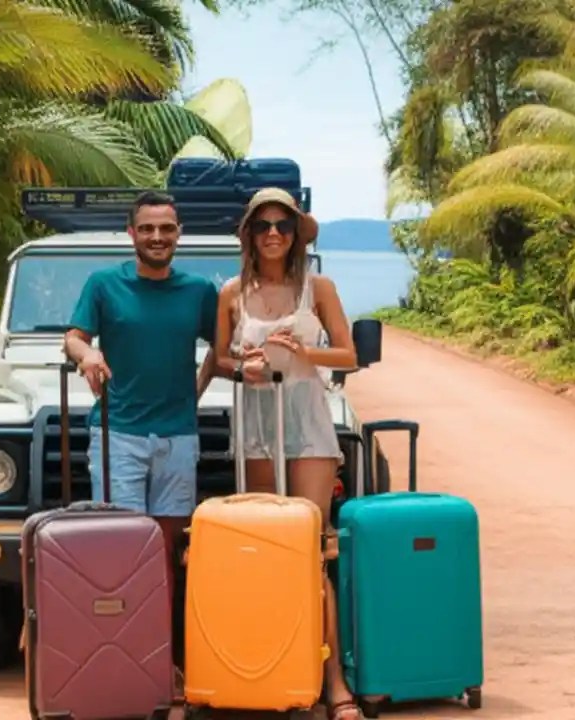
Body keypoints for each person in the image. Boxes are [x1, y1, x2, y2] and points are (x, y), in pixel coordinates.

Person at [213, 187, 362, 720]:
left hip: (306, 418)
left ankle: (333, 680)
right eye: (262, 225)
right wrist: (245, 368)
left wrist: (306, 351)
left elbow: (350, 354)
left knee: (311, 548)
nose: (273, 233)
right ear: (250, 235)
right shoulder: (232, 291)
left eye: (282, 224)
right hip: (256, 419)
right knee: (262, 548)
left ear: (295, 234)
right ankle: (271, 669)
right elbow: (221, 360)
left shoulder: (316, 289)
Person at [63, 190, 219, 588]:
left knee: (171, 547)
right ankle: (125, 639)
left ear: (178, 233)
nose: (157, 236)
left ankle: (161, 639)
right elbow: (74, 338)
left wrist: (197, 390)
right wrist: (88, 356)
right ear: (131, 233)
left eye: (166, 228)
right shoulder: (103, 284)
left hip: (178, 437)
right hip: (119, 435)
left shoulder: (199, 291)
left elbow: (224, 347)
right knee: (123, 542)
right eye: (147, 228)